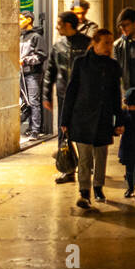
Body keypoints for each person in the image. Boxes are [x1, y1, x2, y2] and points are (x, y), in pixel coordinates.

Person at [60, 29, 124, 210]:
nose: (109, 47)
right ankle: (84, 192)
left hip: (103, 117)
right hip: (82, 117)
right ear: (94, 43)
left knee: (101, 155)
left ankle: (98, 187)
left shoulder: (112, 66)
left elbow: (115, 95)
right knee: (85, 158)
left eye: (111, 43)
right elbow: (71, 91)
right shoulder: (81, 63)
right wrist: (65, 120)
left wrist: (119, 120)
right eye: (105, 43)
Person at [45, 11, 90, 182]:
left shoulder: (87, 44)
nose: (57, 27)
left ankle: (86, 165)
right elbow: (50, 71)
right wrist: (46, 95)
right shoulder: (58, 46)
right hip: (64, 95)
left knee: (84, 132)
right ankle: (67, 169)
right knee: (63, 133)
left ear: (69, 25)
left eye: (59, 23)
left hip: (83, 95)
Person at [19, 12, 46, 138]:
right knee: (26, 101)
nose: (19, 21)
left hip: (33, 73)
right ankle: (30, 127)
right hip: (22, 73)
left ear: (29, 20)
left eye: (21, 19)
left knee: (33, 101)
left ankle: (36, 129)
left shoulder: (36, 37)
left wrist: (25, 61)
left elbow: (41, 56)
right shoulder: (20, 36)